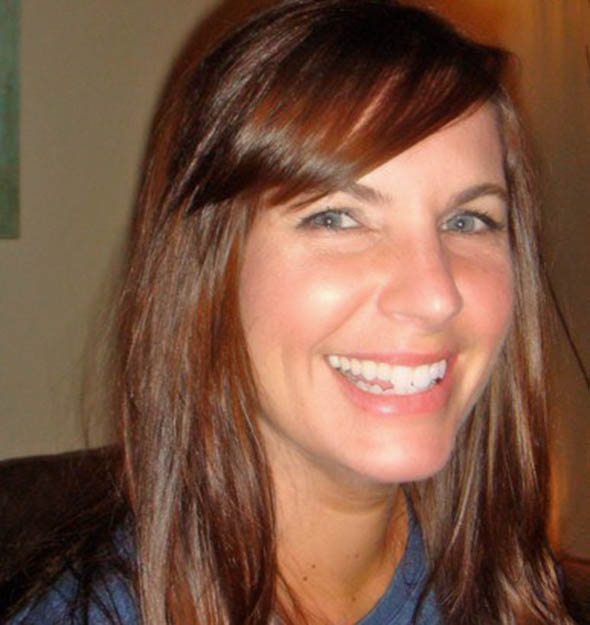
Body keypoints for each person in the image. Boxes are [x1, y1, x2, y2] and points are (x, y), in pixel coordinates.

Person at [1, 0, 576, 623]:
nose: (435, 295)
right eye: (337, 218)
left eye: (467, 221)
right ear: (212, 271)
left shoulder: (514, 588)